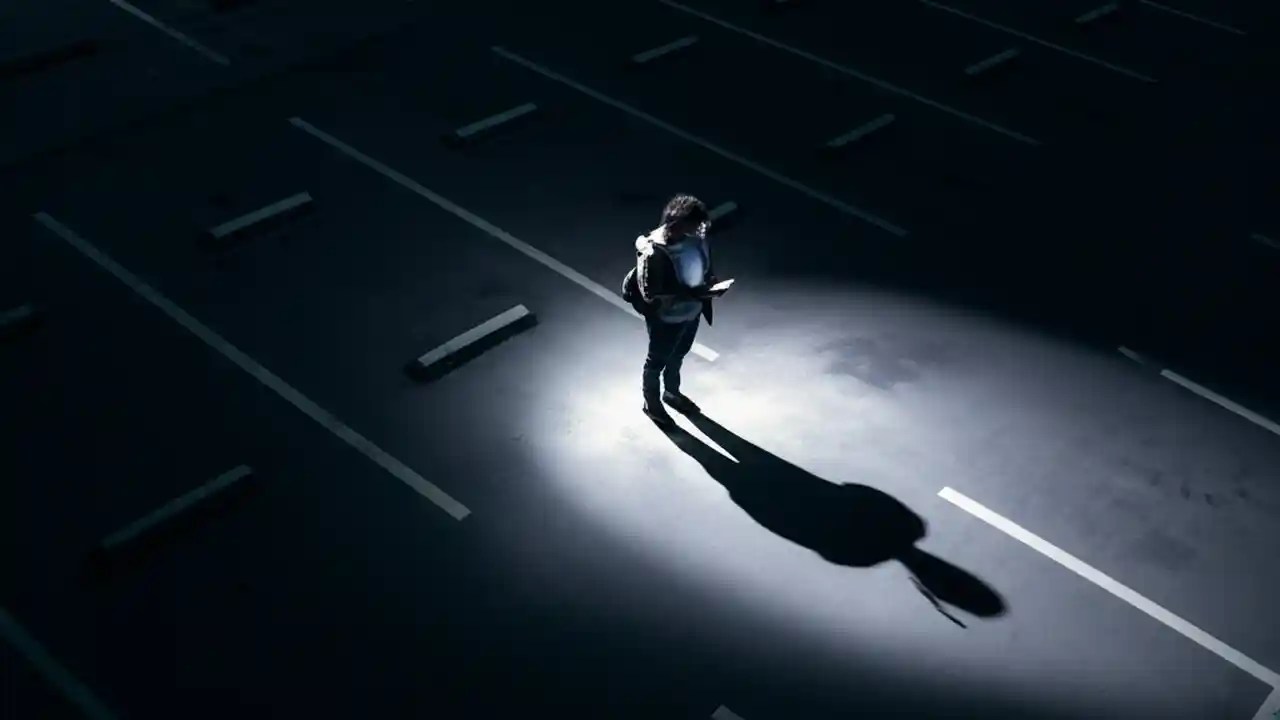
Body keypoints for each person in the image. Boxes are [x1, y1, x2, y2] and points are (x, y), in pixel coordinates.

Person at [635, 194, 730, 427]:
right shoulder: (654, 251)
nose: (700, 230)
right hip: (667, 318)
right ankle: (651, 403)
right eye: (694, 225)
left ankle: (672, 393)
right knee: (656, 362)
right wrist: (691, 294)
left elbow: (705, 264)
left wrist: (710, 280)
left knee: (678, 354)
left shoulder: (696, 238)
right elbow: (651, 294)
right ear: (677, 224)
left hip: (693, 311)